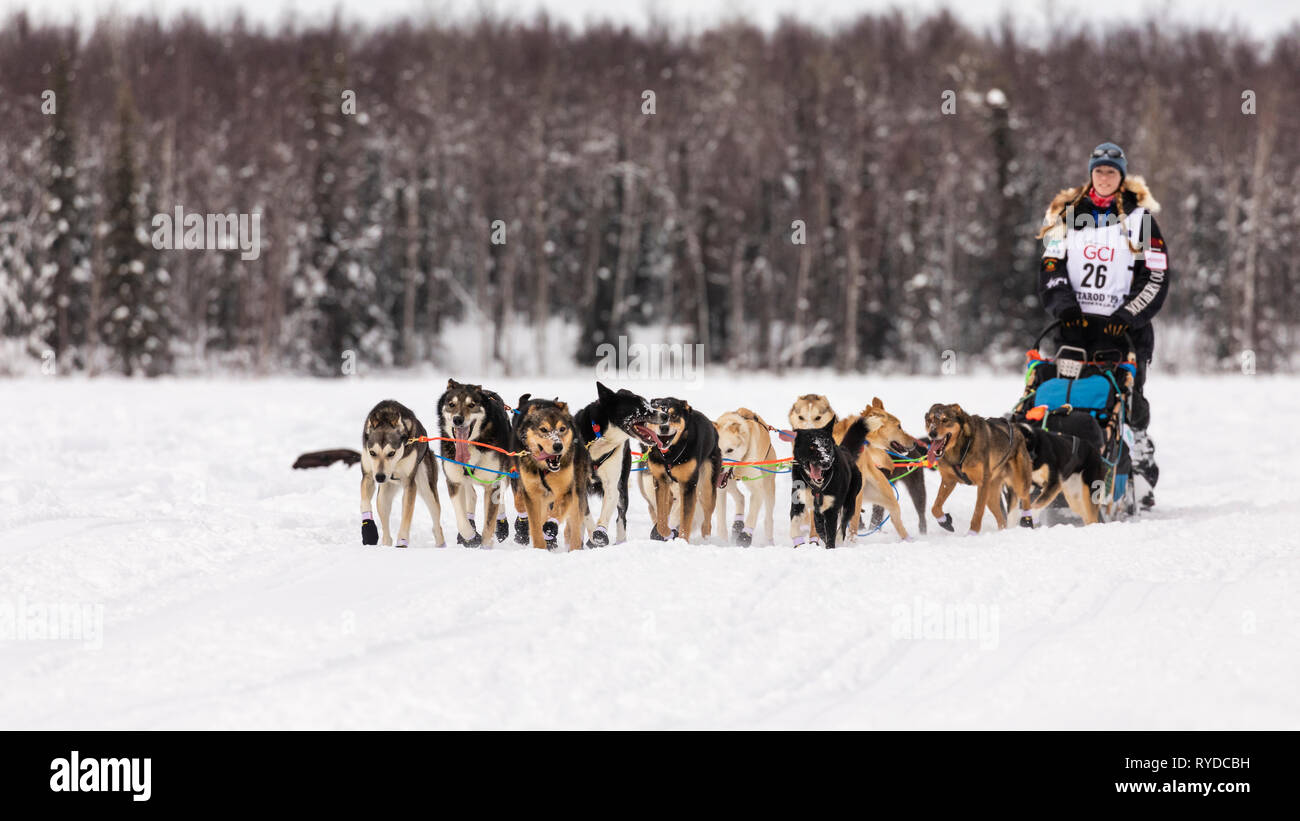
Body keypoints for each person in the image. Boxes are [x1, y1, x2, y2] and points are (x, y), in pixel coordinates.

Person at [1036, 142, 1167, 509]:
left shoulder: (1139, 219)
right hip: (1075, 329)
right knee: (1069, 397)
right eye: (1099, 171)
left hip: (1124, 331)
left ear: (1121, 177)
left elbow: (1154, 276)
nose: (1105, 177)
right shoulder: (1069, 214)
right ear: (1091, 174)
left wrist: (1127, 316)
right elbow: (1050, 267)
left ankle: (1138, 451)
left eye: (1112, 171)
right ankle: (1067, 462)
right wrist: (1064, 307)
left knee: (1129, 395)